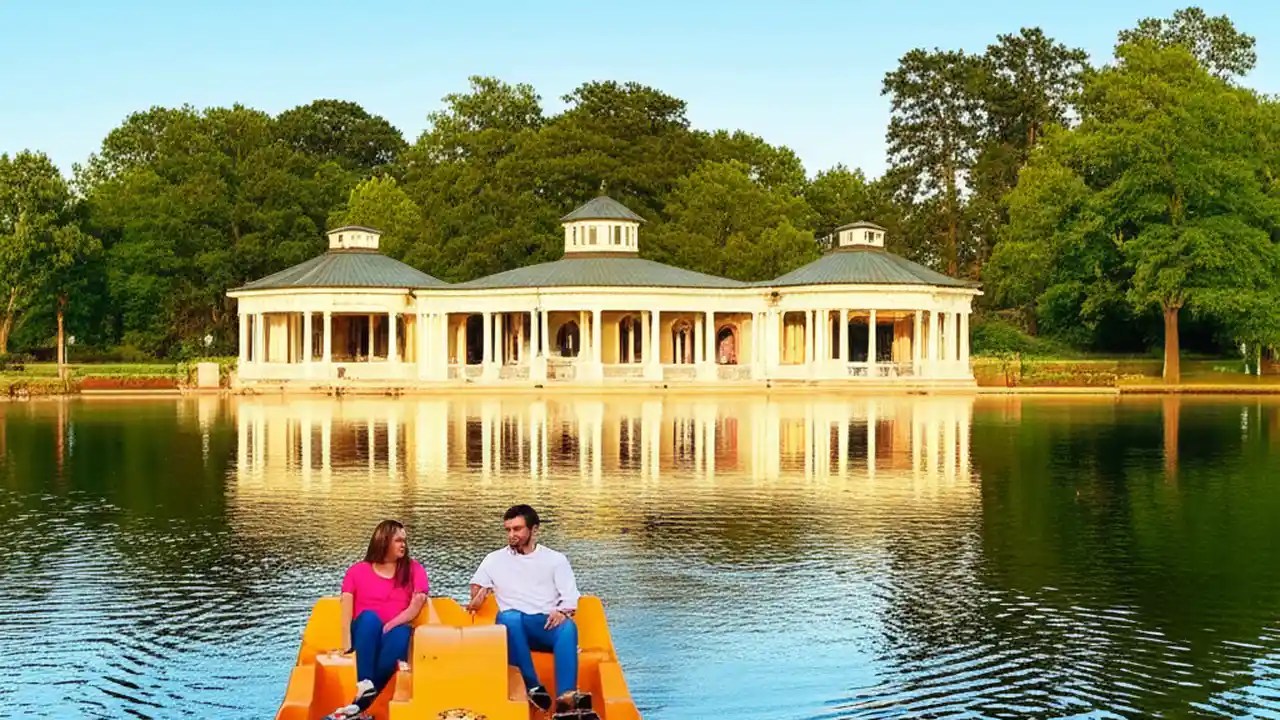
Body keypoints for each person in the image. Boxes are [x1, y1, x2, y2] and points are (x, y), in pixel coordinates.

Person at [466, 504, 590, 715]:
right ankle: (533, 687)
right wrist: (479, 595)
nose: (512, 535)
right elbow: (475, 597)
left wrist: (561, 612)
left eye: (517, 529)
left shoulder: (555, 560)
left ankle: (566, 702)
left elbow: (570, 599)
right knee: (510, 617)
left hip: (543, 625)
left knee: (568, 628)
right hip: (510, 631)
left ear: (534, 530)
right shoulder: (494, 559)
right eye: (508, 530)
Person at [326, 520, 429, 720]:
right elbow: (346, 609)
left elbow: (418, 602)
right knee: (370, 619)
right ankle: (364, 685)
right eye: (398, 540)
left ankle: (356, 708)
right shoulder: (357, 571)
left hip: (395, 629)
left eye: (404, 541)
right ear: (383, 541)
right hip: (365, 635)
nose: (403, 545)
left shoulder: (414, 569)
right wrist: (346, 645)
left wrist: (391, 624)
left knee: (400, 632)